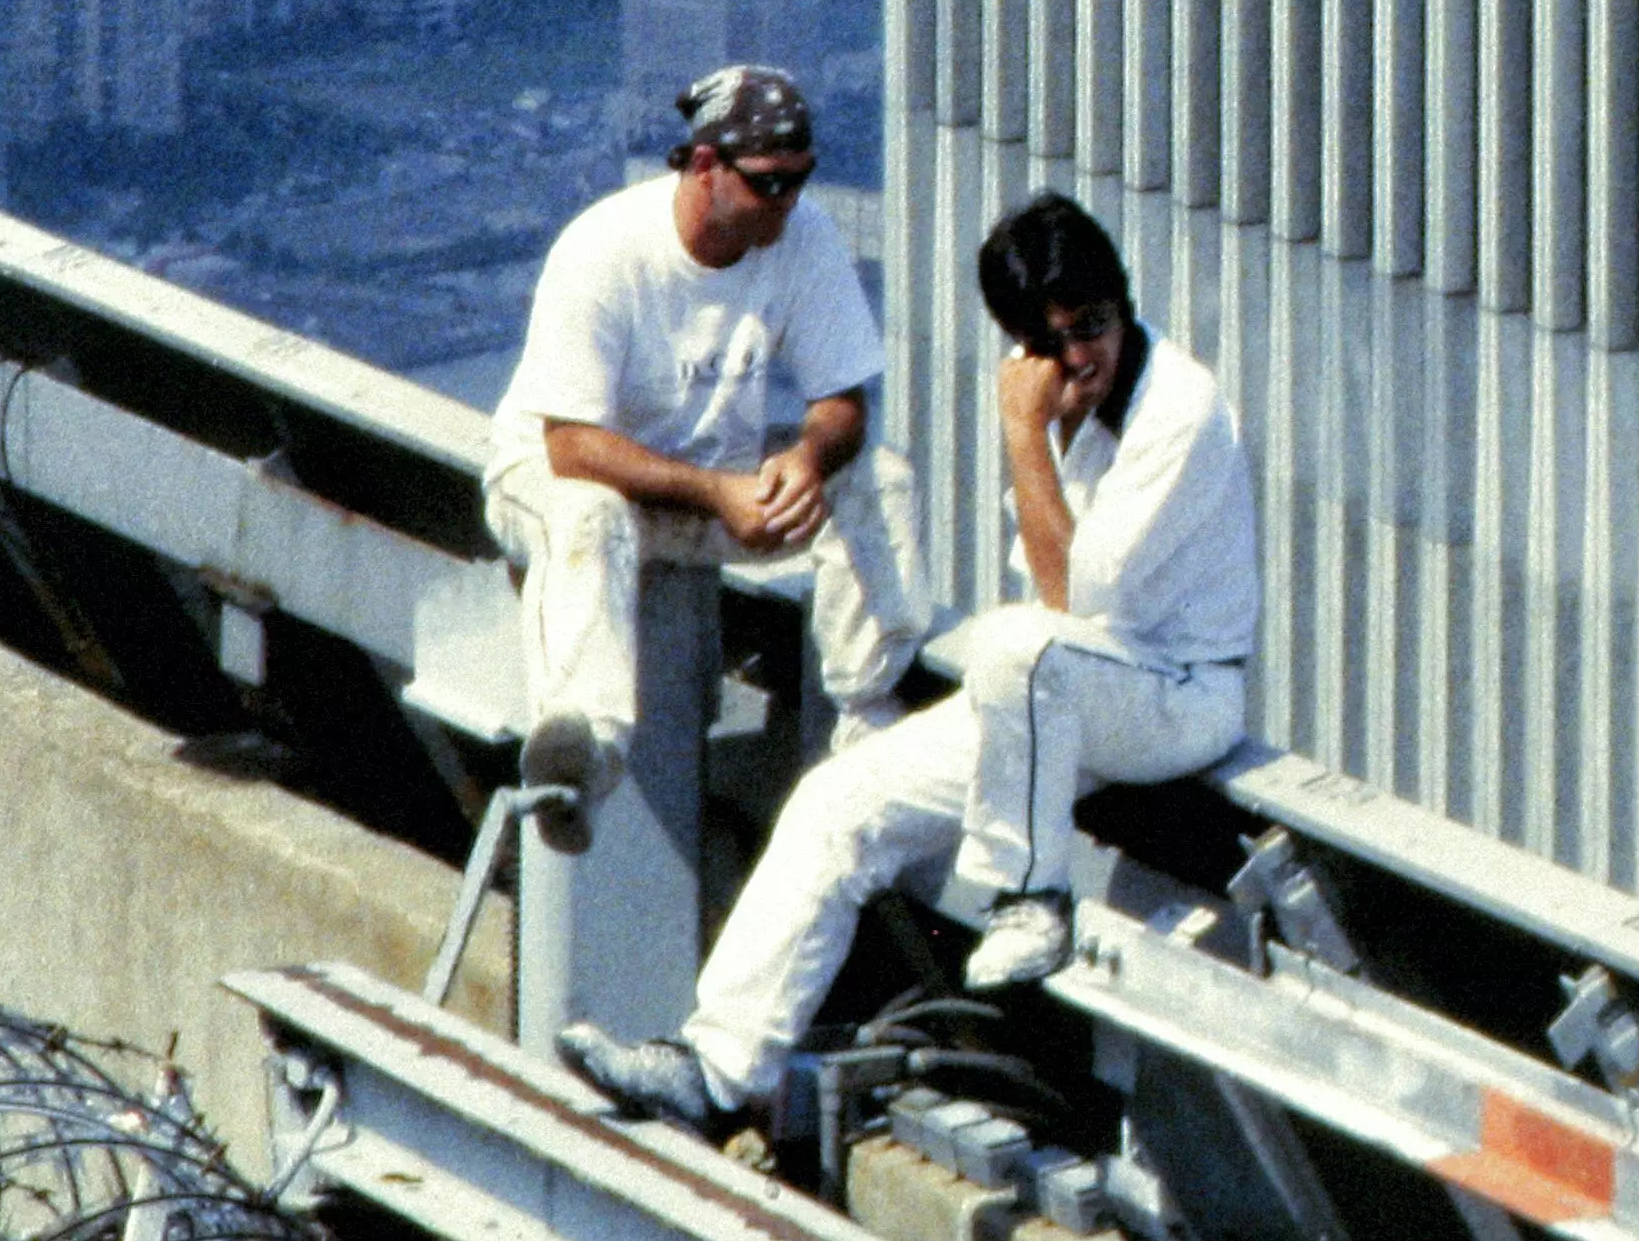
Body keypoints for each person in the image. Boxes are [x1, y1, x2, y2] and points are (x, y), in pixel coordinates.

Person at [561, 192, 1259, 1134]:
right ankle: (716, 1066)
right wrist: (1038, 429)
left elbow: (1064, 603)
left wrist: (1021, 435)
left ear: (1122, 303)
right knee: (837, 803)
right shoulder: (1067, 398)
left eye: (1091, 325)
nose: (1076, 357)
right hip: (1062, 689)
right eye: (1047, 341)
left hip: (1176, 693)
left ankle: (1032, 898)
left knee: (1019, 640)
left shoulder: (1180, 410)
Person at [487, 64, 923, 852]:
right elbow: (571, 444)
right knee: (592, 516)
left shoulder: (804, 238)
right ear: (704, 165)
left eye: (799, 179)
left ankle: (864, 715)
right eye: (767, 183)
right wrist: (717, 489)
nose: (786, 200)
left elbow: (844, 403)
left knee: (879, 478)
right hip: (557, 480)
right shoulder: (604, 251)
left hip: (702, 485)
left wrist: (809, 457)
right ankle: (582, 752)